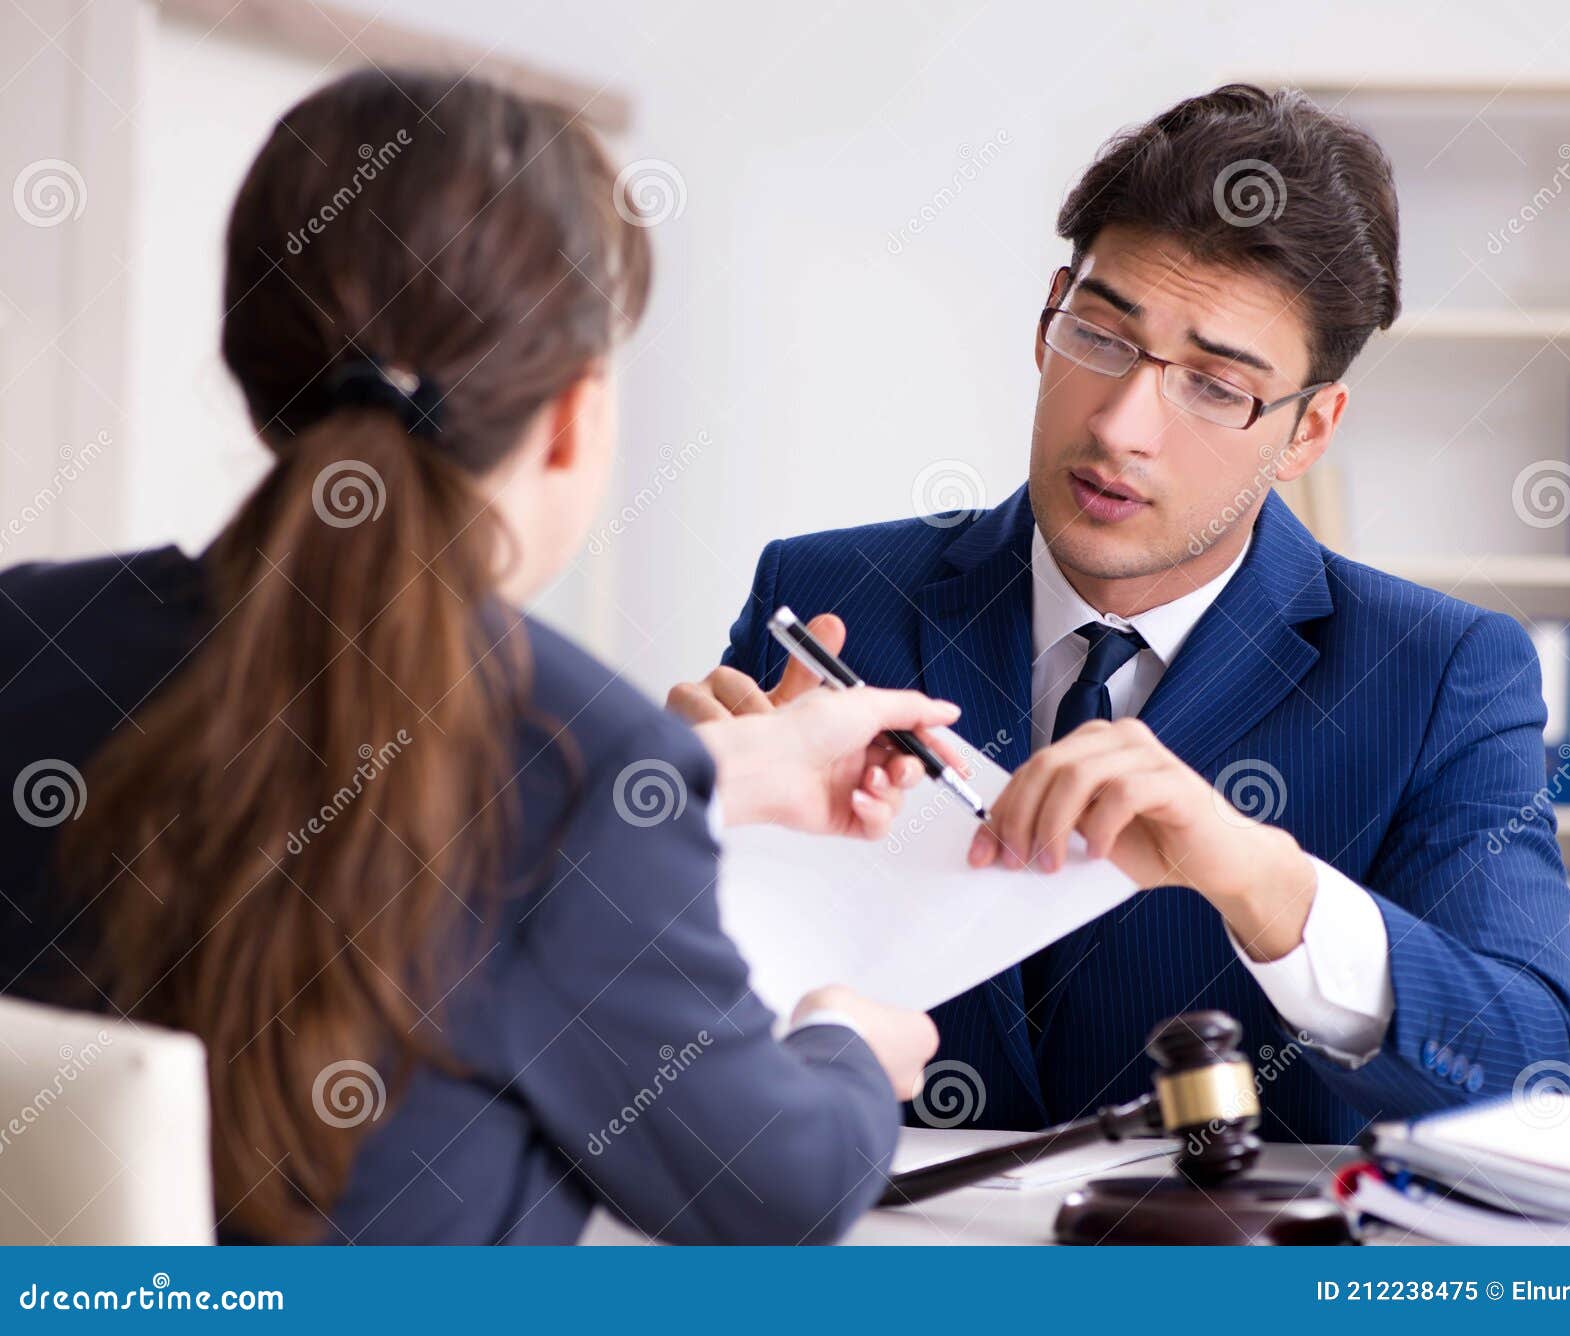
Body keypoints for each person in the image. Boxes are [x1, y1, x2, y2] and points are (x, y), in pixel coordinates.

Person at [0, 69, 960, 1245]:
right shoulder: (577, 769)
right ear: (572, 417)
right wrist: (846, 1049)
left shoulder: (26, 636)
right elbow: (773, 1188)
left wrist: (703, 772)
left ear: (255, 369)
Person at [670, 84, 1570, 1143]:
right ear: (1047, 317)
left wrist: (1263, 881)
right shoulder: (830, 597)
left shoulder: (1438, 670)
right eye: (1100, 337)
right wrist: (669, 836)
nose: (1120, 424)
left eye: (1213, 385)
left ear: (1307, 431)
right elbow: (640, 1052)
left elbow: (1528, 1078)